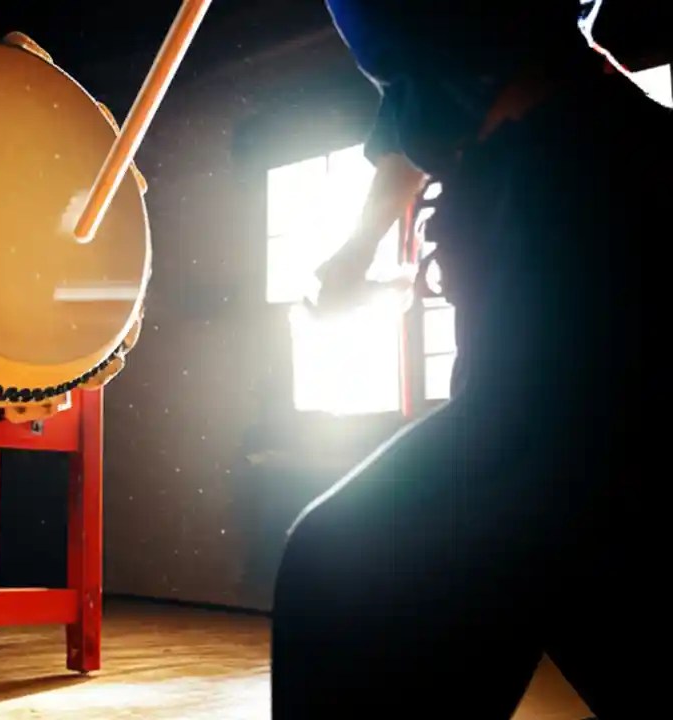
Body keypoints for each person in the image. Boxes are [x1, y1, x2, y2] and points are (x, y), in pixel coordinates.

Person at [270, 1, 669, 717]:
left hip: (568, 182)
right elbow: (422, 83)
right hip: (534, 170)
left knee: (343, 571)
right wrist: (363, 245)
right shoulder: (443, 93)